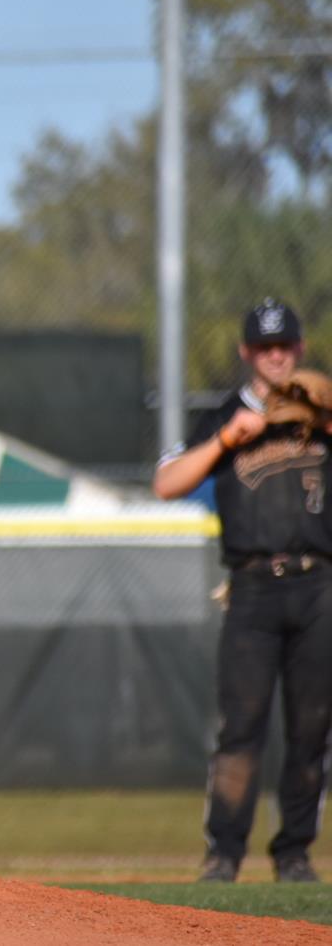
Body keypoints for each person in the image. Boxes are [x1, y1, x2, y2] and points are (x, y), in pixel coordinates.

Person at [153, 297, 332, 884]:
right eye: (264, 346)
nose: (275, 355)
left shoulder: (319, 414)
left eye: (284, 345)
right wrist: (228, 439)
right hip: (252, 589)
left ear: (299, 349)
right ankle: (224, 855)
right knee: (241, 729)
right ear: (246, 352)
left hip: (319, 586)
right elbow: (166, 483)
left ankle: (294, 853)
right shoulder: (224, 417)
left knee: (311, 728)